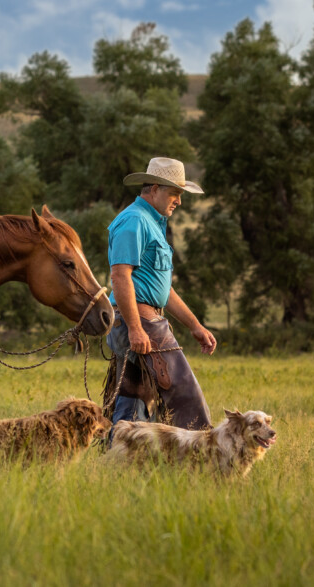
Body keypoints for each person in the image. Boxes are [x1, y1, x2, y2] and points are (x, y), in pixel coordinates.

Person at [105, 157, 216, 431]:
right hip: (140, 322)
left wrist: (195, 326)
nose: (179, 201)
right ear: (154, 189)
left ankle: (120, 453)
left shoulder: (152, 222)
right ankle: (202, 453)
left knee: (136, 402)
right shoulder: (134, 220)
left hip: (147, 322)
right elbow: (120, 276)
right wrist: (135, 329)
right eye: (174, 193)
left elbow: (163, 289)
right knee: (187, 399)